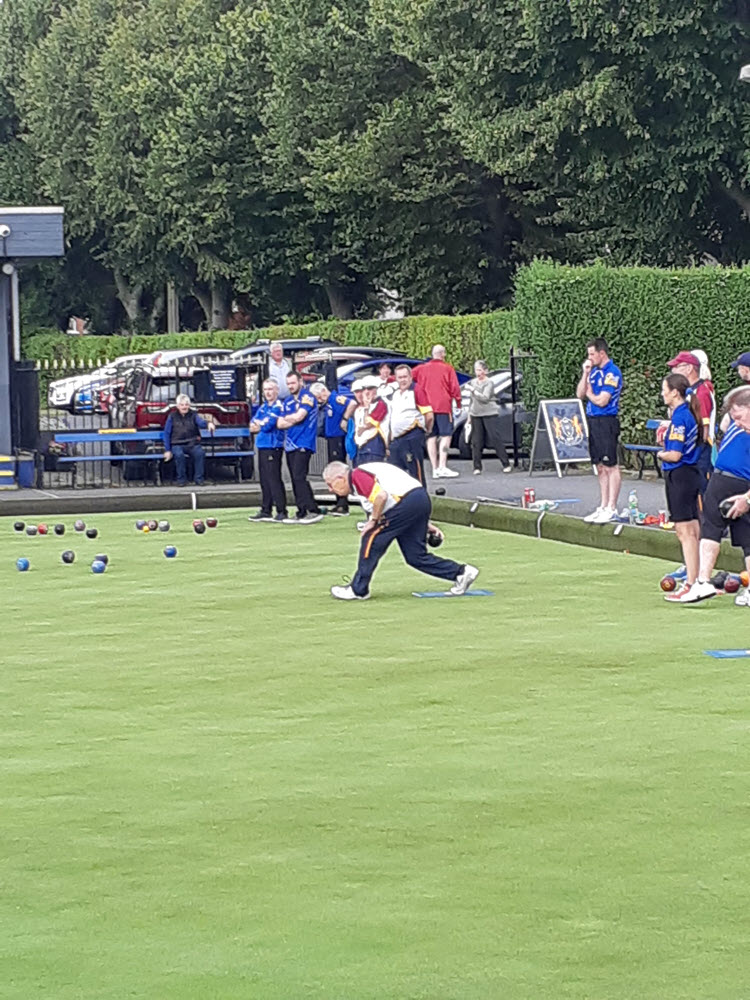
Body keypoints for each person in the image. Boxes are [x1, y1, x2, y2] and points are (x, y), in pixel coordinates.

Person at [323, 460, 479, 600]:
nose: (330, 490)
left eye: (330, 484)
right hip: (419, 499)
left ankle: (358, 589)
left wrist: (373, 521)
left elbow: (381, 497)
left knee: (371, 538)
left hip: (406, 502)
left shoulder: (357, 475)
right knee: (415, 556)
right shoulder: (364, 476)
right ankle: (461, 572)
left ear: (340, 479)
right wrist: (425, 524)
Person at [677, 386, 750, 604]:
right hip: (734, 479)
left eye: (740, 416)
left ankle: (702, 582)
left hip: (732, 480)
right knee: (747, 538)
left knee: (711, 527)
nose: (737, 422)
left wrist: (746, 498)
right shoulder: (742, 426)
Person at [656, 373, 703, 602]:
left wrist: (660, 452)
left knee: (685, 532)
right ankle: (696, 579)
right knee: (692, 530)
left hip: (680, 475)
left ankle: (691, 582)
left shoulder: (680, 417)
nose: (662, 393)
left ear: (675, 392)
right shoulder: (686, 413)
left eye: (664, 389)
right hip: (691, 473)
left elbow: (674, 454)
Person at [576, 338, 623, 523]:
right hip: (593, 419)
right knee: (599, 466)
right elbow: (579, 394)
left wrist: (589, 394)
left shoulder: (612, 372)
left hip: (607, 420)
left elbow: (602, 400)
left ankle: (612, 506)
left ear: (602, 353)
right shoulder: (593, 372)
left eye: (592, 354)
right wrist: (585, 374)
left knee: (610, 464)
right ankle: (603, 505)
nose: (589, 358)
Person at [662, 351, 715, 494]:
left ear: (689, 368)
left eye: (677, 367)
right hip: (691, 451)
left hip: (700, 451)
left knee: (699, 494)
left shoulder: (701, 391)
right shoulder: (691, 391)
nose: (673, 370)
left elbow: (703, 428)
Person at [276, 371, 324, 523]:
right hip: (290, 444)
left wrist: (289, 418)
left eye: (293, 383)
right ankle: (302, 510)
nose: (290, 386)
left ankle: (310, 510)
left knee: (299, 476)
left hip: (304, 442)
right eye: (288, 383)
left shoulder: (307, 397)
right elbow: (280, 423)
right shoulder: (287, 401)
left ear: (300, 382)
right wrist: (291, 419)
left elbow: (299, 416)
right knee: (295, 478)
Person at [413, 344, 462, 479]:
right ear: (443, 354)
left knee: (431, 437)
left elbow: (409, 377)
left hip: (426, 407)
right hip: (443, 406)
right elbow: (455, 388)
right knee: (446, 435)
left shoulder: (421, 369)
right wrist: (458, 402)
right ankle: (442, 465)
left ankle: (434, 468)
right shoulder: (448, 369)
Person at [309, 381, 356, 515]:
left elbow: (352, 403)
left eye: (318, 396)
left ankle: (343, 503)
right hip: (331, 438)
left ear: (323, 392)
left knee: (339, 471)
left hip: (337, 438)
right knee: (333, 470)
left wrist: (345, 419)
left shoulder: (335, 398)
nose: (318, 400)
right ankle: (339, 502)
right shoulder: (328, 403)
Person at [247, 378, 288, 523]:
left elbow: (268, 425)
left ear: (277, 390)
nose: (268, 392)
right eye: (266, 390)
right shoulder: (263, 407)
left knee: (274, 479)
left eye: (271, 389)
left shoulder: (278, 406)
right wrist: (259, 423)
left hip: (273, 446)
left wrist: (260, 424)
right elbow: (252, 425)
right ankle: (266, 509)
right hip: (262, 445)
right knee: (264, 479)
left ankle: (282, 510)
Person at [388, 363, 433, 483]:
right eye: (400, 377)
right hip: (397, 439)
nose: (403, 380)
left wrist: (427, 430)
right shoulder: (396, 393)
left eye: (405, 377)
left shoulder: (417, 390)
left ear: (410, 377)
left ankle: (420, 498)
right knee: (395, 471)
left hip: (412, 436)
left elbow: (429, 415)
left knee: (415, 472)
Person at [466, 360, 511, 476]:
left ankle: (506, 463)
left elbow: (485, 398)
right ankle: (477, 467)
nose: (478, 373)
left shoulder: (489, 383)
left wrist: (473, 390)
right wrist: (469, 416)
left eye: (480, 370)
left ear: (485, 371)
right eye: (476, 370)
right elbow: (472, 400)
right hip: (476, 414)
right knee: (476, 441)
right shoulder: (473, 382)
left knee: (494, 438)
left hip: (489, 413)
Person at [163, 393, 215, 486]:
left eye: (186, 404)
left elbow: (201, 422)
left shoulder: (193, 415)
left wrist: (208, 423)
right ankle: (181, 480)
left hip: (192, 443)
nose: (184, 407)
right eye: (182, 405)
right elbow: (167, 433)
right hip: (177, 443)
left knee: (200, 453)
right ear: (178, 406)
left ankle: (199, 479)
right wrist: (167, 450)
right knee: (179, 455)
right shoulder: (172, 416)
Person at [352, 375, 389, 466]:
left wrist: (367, 407)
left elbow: (369, 422)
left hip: (374, 445)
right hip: (361, 446)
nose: (367, 392)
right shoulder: (360, 407)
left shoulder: (381, 404)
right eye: (364, 389)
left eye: (370, 388)